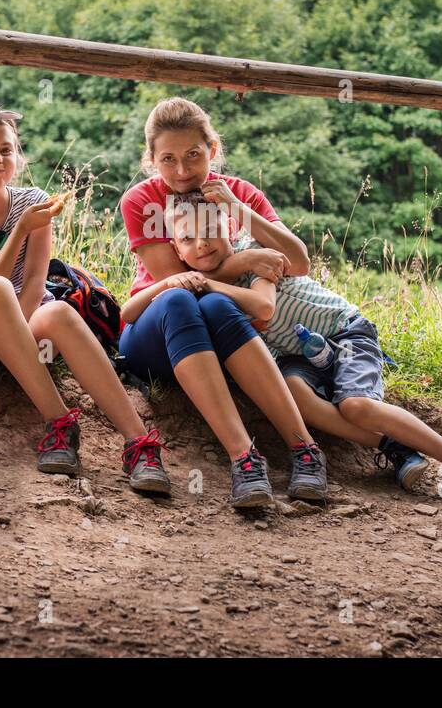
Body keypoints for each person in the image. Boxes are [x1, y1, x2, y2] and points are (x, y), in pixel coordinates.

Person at [159, 190, 442, 511]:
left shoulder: (255, 252)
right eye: (188, 238)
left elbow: (264, 308)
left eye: (210, 230)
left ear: (229, 228)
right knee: (296, 395)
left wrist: (209, 283)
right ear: (176, 248)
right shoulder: (199, 291)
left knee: (356, 405)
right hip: (299, 357)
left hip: (343, 333)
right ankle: (392, 445)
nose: (202, 243)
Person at [0, 107, 172, 495]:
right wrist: (20, 231)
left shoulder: (35, 201)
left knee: (59, 308)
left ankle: (139, 443)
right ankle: (60, 421)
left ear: (17, 158)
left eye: (6, 150)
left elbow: (33, 281)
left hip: (27, 319)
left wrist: (13, 336)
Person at [118, 96, 328, 508]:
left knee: (216, 306)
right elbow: (178, 281)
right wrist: (246, 259)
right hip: (156, 328)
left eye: (193, 156)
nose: (181, 171)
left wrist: (237, 209)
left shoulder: (241, 194)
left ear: (213, 150)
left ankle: (305, 450)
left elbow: (298, 262)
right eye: (168, 159)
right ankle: (243, 457)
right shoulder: (142, 200)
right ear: (151, 160)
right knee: (185, 300)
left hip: (220, 326)